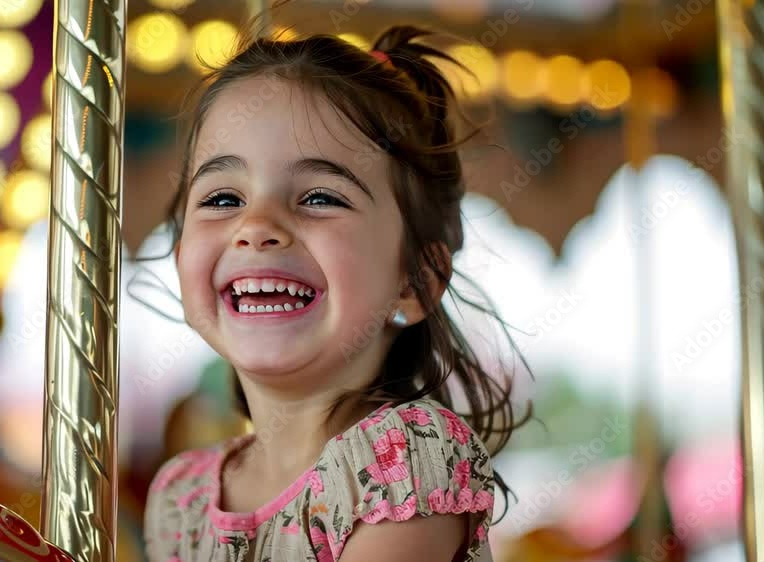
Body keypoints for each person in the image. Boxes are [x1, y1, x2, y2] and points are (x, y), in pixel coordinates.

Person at [140, 20, 531, 562]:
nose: (256, 226)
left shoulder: (402, 459)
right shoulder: (179, 497)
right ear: (181, 252)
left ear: (416, 280)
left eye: (320, 197)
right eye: (223, 199)